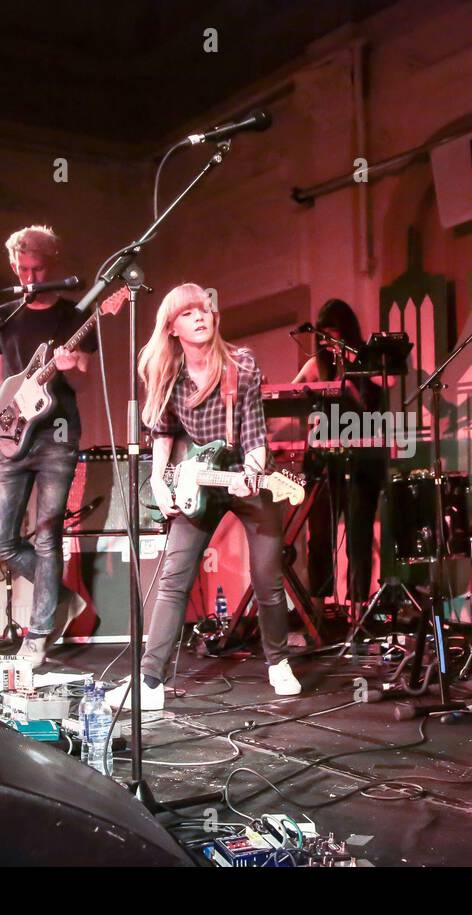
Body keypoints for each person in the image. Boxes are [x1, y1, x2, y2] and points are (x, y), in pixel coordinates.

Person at [115, 282, 300, 711]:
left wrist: (251, 475)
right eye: (187, 312)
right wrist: (161, 483)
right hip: (198, 481)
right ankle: (150, 680)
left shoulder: (242, 365)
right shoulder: (167, 375)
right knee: (173, 580)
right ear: (173, 327)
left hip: (243, 475)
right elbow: (162, 437)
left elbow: (255, 436)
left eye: (204, 309)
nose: (200, 316)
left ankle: (277, 663)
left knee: (268, 578)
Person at [0, 225, 92, 665]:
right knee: (1, 539)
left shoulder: (73, 315)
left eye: (36, 267)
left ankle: (37, 635)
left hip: (56, 435)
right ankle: (61, 600)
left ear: (50, 264)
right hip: (12, 435)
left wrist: (72, 362)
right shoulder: (3, 314)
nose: (29, 275)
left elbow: (85, 364)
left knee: (48, 536)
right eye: (21, 268)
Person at [291, 299, 385, 616]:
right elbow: (289, 395)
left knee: (359, 535)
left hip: (361, 460)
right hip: (323, 460)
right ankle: (319, 608)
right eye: (324, 334)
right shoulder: (317, 364)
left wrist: (352, 367)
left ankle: (358, 608)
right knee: (319, 537)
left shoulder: (367, 360)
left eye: (335, 333)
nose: (328, 340)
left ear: (347, 332)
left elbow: (377, 395)